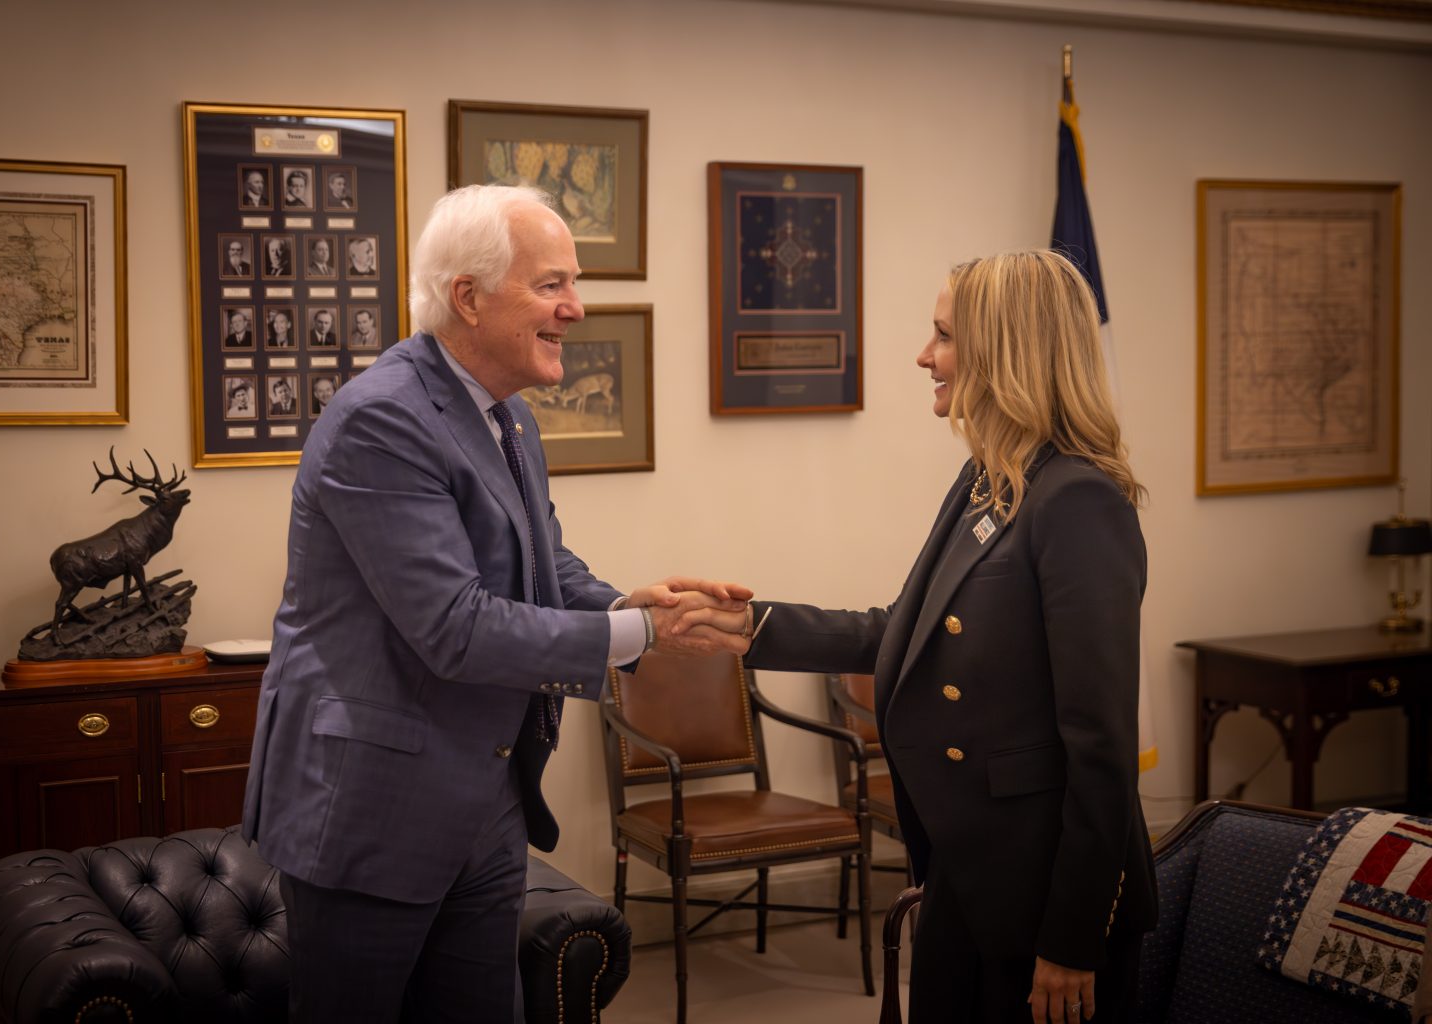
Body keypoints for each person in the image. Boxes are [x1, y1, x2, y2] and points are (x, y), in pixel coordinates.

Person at [242, 184, 752, 1022]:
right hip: (373, 808)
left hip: (485, 800)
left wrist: (632, 605)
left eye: (573, 284)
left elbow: (543, 565)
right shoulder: (382, 419)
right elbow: (456, 628)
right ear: (468, 298)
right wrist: (638, 633)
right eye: (551, 285)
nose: (576, 308)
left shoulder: (508, 419)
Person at [718, 250, 1157, 1024]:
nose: (925, 355)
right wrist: (751, 627)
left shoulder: (1078, 500)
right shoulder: (990, 480)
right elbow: (904, 632)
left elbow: (1102, 749)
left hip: (1044, 902)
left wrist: (1073, 937)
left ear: (1006, 351)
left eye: (944, 335)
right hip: (970, 867)